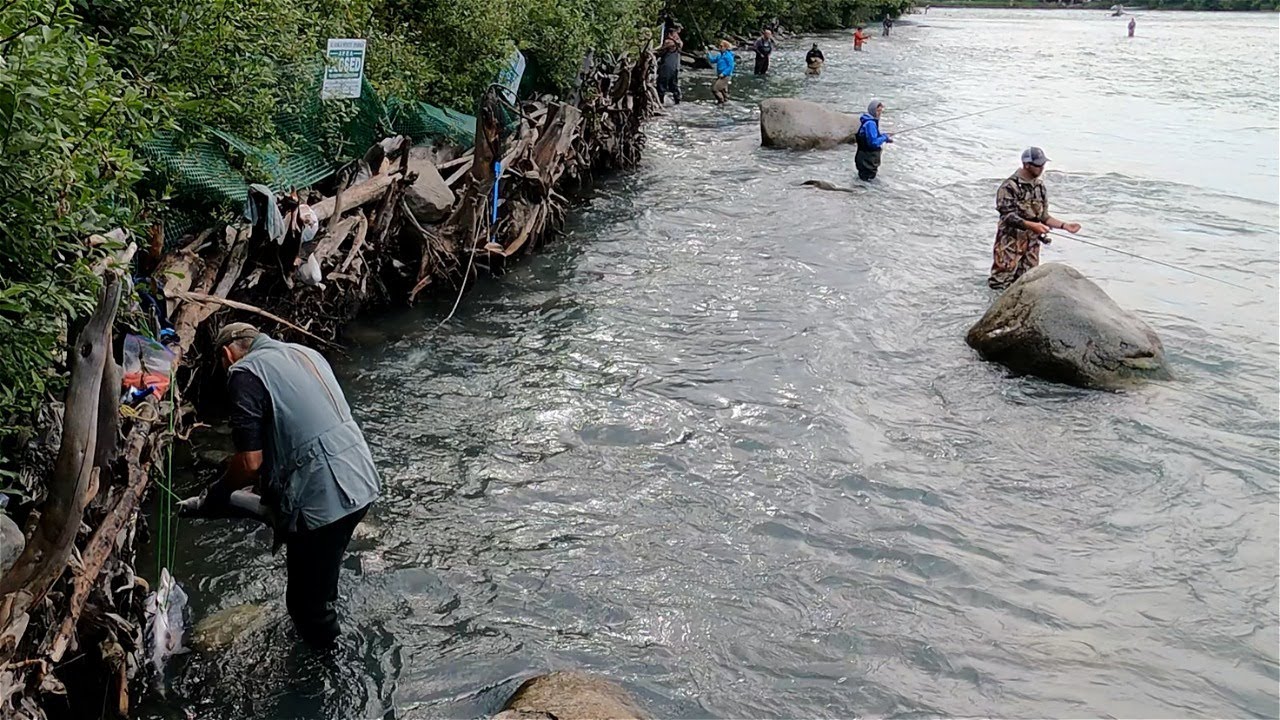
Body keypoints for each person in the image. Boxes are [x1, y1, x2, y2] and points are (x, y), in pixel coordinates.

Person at [180, 322, 380, 648]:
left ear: (227, 354)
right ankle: (326, 616)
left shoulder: (244, 373)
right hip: (360, 478)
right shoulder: (305, 352)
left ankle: (327, 664)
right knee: (319, 579)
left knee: (306, 608)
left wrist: (217, 493)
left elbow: (250, 463)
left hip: (325, 497)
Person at [988, 147, 1082, 289]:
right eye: (1038, 165)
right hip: (1009, 244)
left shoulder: (1039, 186)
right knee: (1000, 284)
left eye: (1043, 164)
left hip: (1032, 246)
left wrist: (1065, 226)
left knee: (1028, 284)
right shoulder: (1009, 186)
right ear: (1026, 165)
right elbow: (1007, 216)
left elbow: (1044, 216)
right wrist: (1032, 225)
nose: (1042, 168)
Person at [855, 100, 894, 181]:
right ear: (873, 110)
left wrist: (885, 137)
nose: (879, 113)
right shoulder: (870, 124)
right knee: (867, 181)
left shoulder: (869, 121)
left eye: (880, 111)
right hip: (867, 161)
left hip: (864, 159)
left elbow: (872, 137)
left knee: (863, 181)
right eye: (878, 111)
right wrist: (884, 137)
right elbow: (874, 143)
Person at [657, 26, 683, 105]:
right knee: (673, 85)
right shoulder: (678, 43)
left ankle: (660, 102)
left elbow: (660, 51)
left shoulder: (668, 42)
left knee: (662, 84)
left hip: (666, 67)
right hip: (674, 67)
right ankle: (677, 101)